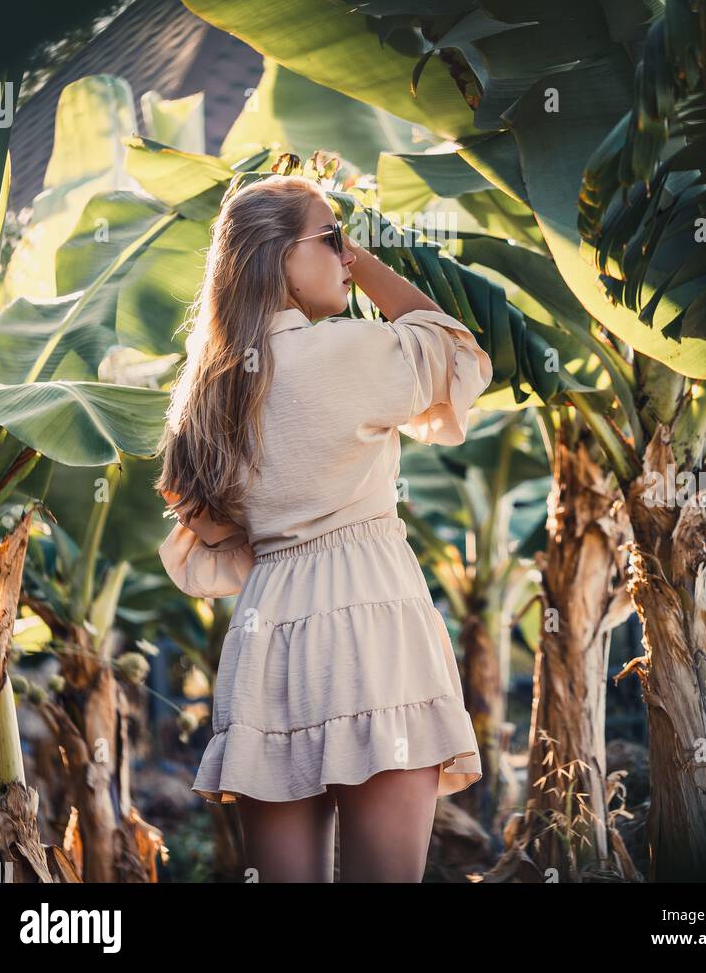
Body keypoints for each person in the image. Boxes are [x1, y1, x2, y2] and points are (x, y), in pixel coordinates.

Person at [155, 174, 493, 882]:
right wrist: (368, 264)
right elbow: (455, 351)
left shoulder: (212, 393)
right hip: (371, 622)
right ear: (280, 257)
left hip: (267, 634)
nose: (343, 255)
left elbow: (212, 531)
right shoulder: (347, 351)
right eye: (330, 239)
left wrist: (333, 249)